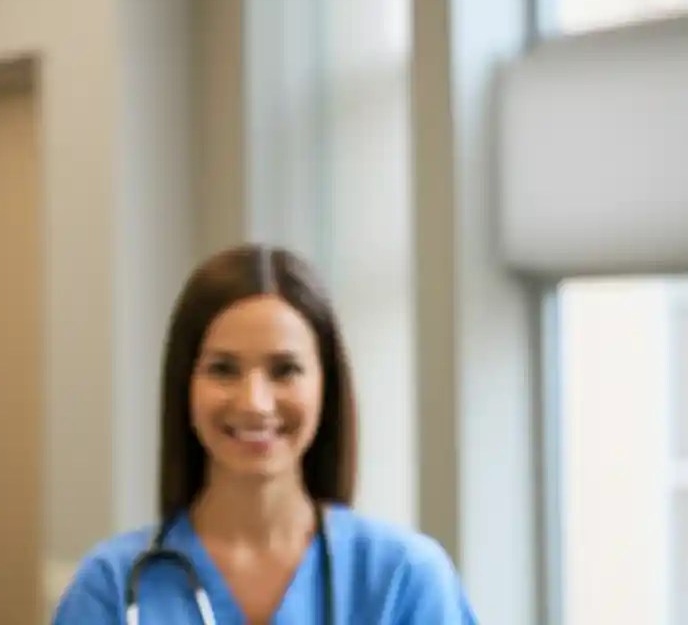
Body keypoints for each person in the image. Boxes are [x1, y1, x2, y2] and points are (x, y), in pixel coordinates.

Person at [52, 244, 477, 624]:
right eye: (223, 369)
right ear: (185, 385)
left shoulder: (404, 579)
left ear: (325, 386)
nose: (255, 402)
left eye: (285, 370)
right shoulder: (111, 586)